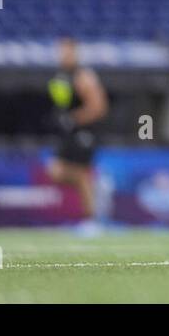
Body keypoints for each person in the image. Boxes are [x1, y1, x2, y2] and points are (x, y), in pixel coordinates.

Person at [45, 38, 109, 231]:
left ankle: (91, 220)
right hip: (70, 134)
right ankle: (96, 191)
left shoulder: (83, 76)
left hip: (84, 134)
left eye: (67, 51)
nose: (63, 55)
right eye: (60, 51)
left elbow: (98, 107)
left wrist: (73, 118)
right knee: (56, 171)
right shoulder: (61, 76)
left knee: (81, 174)